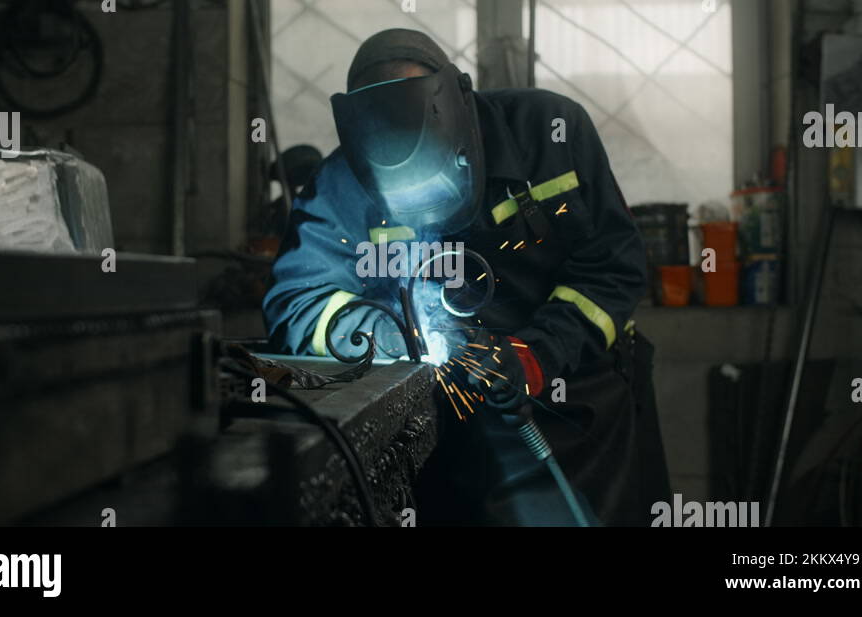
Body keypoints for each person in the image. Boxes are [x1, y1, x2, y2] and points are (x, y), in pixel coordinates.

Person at [263, 28, 671, 526]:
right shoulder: (339, 184)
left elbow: (616, 264)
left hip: (579, 406)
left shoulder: (550, 131)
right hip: (444, 428)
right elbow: (297, 300)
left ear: (461, 100)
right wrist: (385, 333)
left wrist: (536, 355)